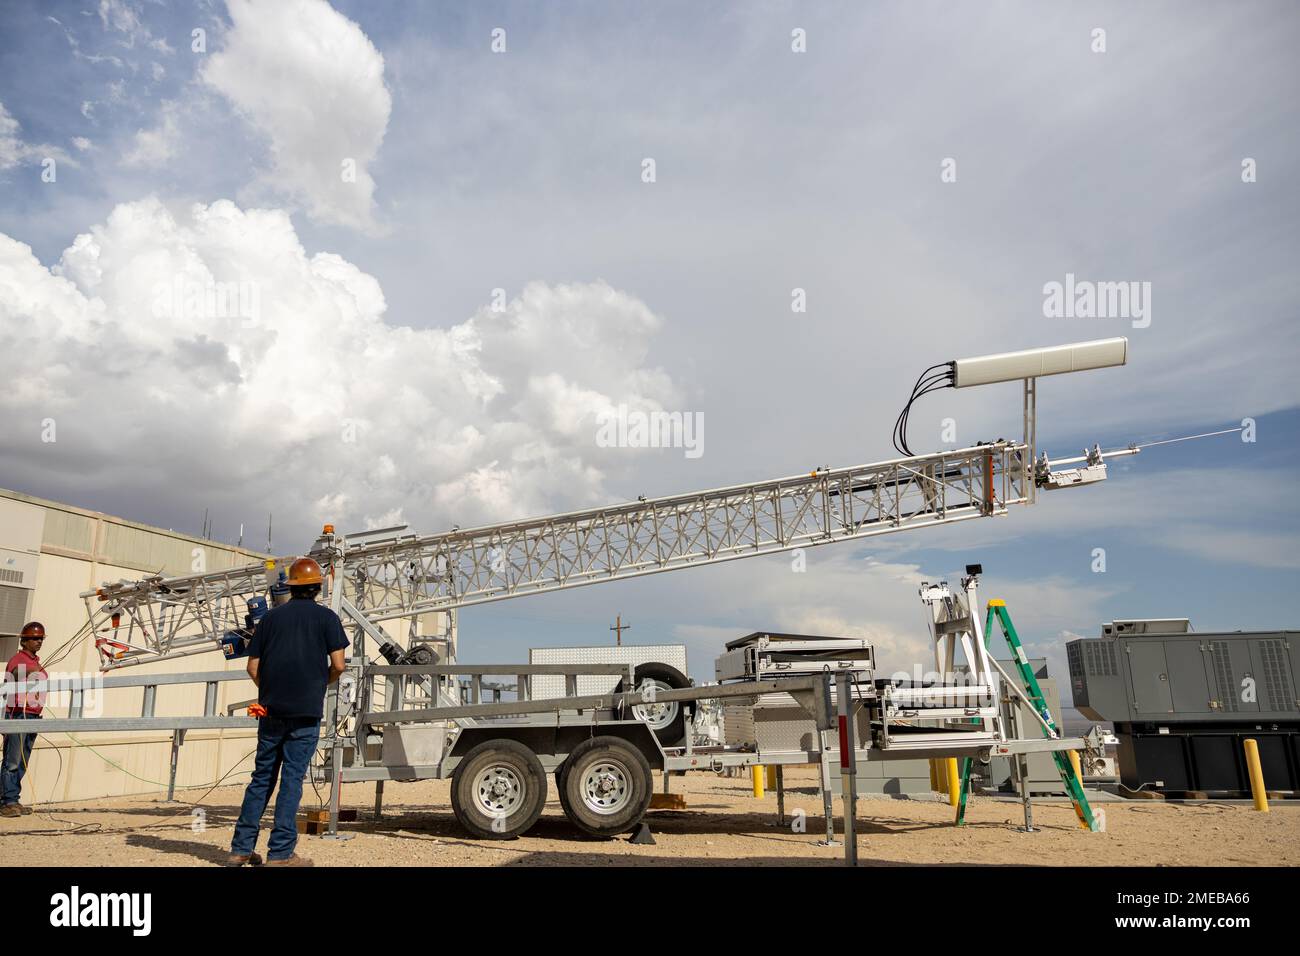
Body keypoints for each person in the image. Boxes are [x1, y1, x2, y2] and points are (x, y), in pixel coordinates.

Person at [228, 558, 348, 866]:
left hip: (269, 710)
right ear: (318, 587)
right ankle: (280, 853)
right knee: (292, 779)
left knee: (261, 778)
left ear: (290, 587)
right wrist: (319, 684)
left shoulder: (268, 620)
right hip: (305, 712)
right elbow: (338, 666)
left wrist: (269, 693)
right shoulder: (328, 619)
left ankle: (241, 849)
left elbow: (252, 667)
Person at [1, 622, 48, 817]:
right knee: (12, 760)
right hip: (18, 713)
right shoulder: (17, 659)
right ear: (24, 640)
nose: (38, 642)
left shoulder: (37, 662)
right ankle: (7, 801)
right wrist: (29, 672)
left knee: (23, 760)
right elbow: (12, 676)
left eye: (40, 639)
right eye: (34, 639)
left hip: (33, 714)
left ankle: (13, 798)